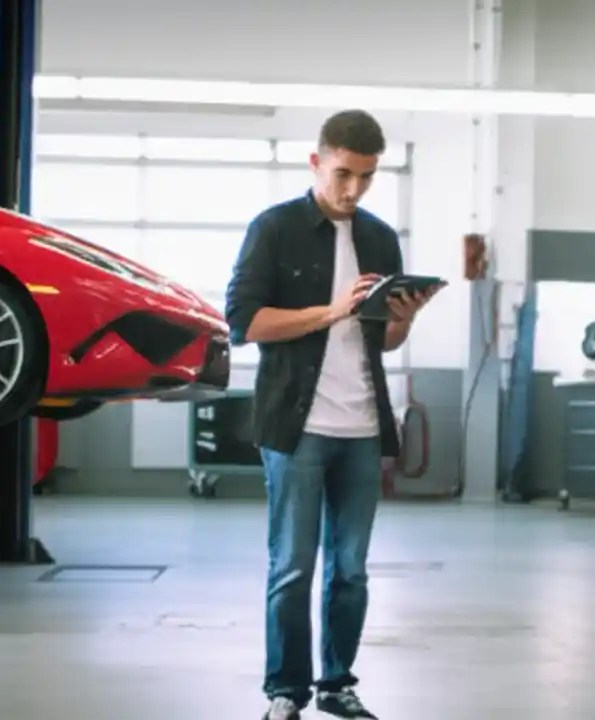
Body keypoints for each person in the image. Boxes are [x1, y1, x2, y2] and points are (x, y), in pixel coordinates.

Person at [225, 109, 440, 720]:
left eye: (367, 178)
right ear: (316, 161)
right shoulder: (274, 229)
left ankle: (337, 684)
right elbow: (244, 323)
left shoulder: (378, 238)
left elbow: (385, 342)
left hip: (364, 429)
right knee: (292, 568)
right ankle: (285, 693)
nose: (353, 190)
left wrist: (406, 315)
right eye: (343, 173)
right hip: (297, 429)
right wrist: (330, 311)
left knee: (351, 570)